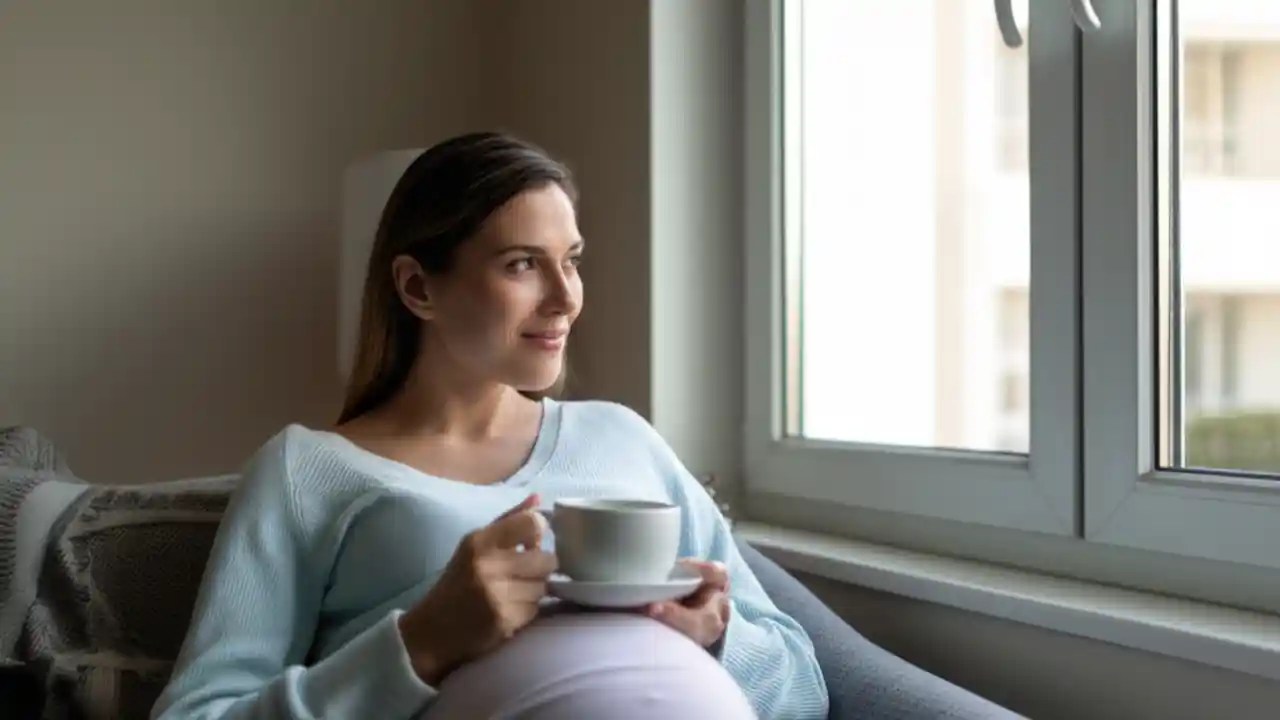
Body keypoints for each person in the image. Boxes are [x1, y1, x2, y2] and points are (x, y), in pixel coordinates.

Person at [150, 132, 829, 720]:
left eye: (572, 260)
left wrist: (716, 636)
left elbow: (805, 687)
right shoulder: (308, 473)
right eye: (522, 265)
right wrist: (422, 643)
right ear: (418, 288)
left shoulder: (623, 439)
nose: (565, 298)